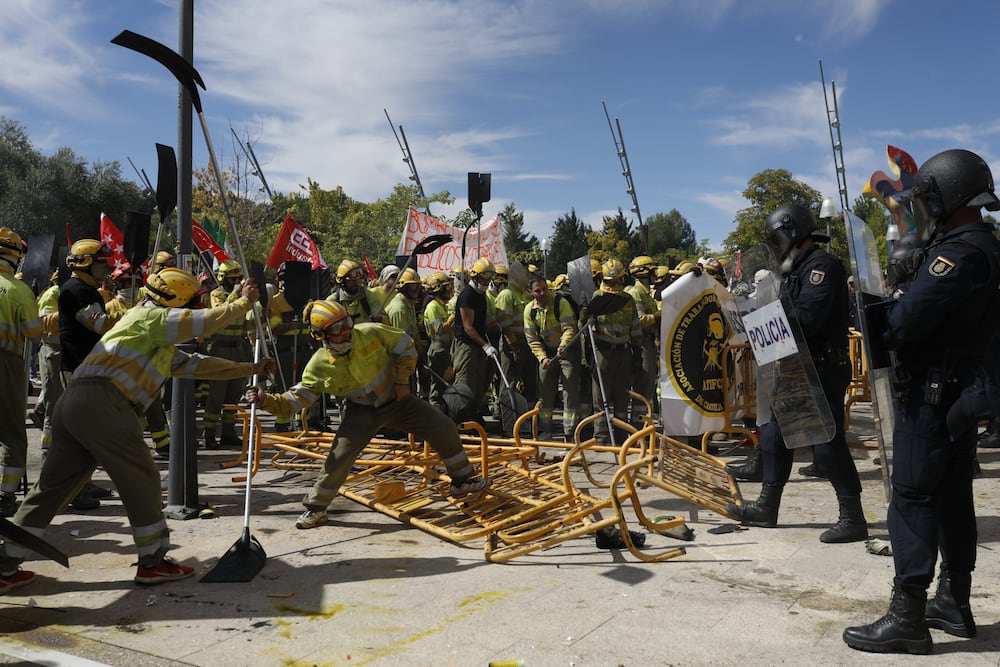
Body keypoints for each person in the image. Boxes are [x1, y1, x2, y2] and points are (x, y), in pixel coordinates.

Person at [0, 268, 271, 592]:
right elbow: (205, 323)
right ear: (177, 301)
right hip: (105, 404)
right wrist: (242, 303)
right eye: (192, 302)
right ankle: (153, 562)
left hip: (74, 405)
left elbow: (199, 365)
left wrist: (249, 369)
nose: (195, 309)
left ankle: (4, 565)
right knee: (142, 478)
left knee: (51, 491)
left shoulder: (148, 332)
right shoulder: (154, 318)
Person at [844, 149, 1000, 654]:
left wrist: (882, 310)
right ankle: (953, 602)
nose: (922, 210)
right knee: (953, 497)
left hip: (934, 396)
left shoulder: (958, 253)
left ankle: (907, 614)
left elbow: (908, 324)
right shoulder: (985, 246)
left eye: (927, 199)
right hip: (958, 393)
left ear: (946, 197)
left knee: (911, 499)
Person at [245, 300, 491, 530]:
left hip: (398, 401)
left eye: (347, 323)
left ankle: (462, 481)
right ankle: (317, 508)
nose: (346, 331)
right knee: (338, 459)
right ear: (320, 335)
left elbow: (406, 346)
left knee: (444, 427)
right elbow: (294, 402)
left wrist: (403, 381)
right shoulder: (318, 366)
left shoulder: (370, 333)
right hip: (361, 412)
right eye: (338, 328)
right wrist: (265, 400)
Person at [726, 204, 868, 545]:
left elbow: (807, 319)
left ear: (793, 233)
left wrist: (764, 323)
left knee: (829, 444)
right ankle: (766, 507)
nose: (774, 247)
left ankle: (853, 517)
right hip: (793, 367)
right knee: (774, 435)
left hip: (821, 369)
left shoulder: (822, 267)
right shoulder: (794, 270)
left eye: (776, 239)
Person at [58, 239, 117, 509]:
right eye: (102, 262)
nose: (108, 267)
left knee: (88, 432)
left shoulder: (87, 289)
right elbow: (100, 325)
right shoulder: (78, 290)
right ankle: (74, 492)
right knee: (81, 434)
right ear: (86, 263)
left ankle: (84, 483)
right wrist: (134, 317)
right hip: (77, 368)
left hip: (86, 367)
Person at [0, 229, 42, 517]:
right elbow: (32, 332)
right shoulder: (18, 290)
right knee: (12, 431)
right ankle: (5, 496)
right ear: (15, 256)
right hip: (6, 362)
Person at [588, 258, 642, 446]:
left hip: (624, 352)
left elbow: (635, 327)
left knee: (622, 398)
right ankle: (602, 438)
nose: (616, 284)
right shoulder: (596, 297)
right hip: (603, 351)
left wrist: (637, 351)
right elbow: (586, 328)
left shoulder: (628, 299)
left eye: (618, 280)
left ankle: (621, 437)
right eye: (613, 281)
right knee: (600, 398)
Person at [203, 260, 252, 449]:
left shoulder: (241, 297)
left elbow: (247, 322)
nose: (237, 282)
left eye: (239, 278)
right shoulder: (217, 294)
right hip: (220, 349)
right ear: (223, 279)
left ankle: (228, 433)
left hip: (238, 348)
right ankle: (209, 435)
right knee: (217, 394)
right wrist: (236, 294)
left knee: (234, 393)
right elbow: (220, 313)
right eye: (233, 279)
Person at [524, 274, 579, 441]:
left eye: (544, 289)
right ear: (531, 293)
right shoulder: (529, 311)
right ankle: (545, 430)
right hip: (547, 352)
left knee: (570, 390)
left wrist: (563, 345)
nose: (542, 294)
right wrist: (542, 358)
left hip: (567, 350)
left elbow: (569, 327)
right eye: (537, 291)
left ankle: (570, 432)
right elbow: (532, 339)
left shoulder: (560, 303)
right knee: (545, 391)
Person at [452, 258, 498, 421]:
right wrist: (486, 345)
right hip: (466, 346)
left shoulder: (481, 294)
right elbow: (468, 327)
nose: (487, 281)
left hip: (478, 345)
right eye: (484, 277)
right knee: (466, 384)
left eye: (489, 277)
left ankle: (474, 416)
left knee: (480, 383)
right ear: (474, 276)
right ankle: (461, 420)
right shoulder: (467, 296)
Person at [626, 255, 661, 424]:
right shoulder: (636, 293)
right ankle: (638, 427)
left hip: (649, 343)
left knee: (648, 386)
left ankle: (644, 424)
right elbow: (639, 320)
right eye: (653, 270)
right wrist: (658, 315)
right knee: (642, 386)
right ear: (644, 273)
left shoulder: (646, 293)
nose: (656, 274)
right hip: (641, 344)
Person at [422, 271, 455, 412]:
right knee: (437, 384)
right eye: (446, 288)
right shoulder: (433, 307)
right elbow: (439, 329)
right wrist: (453, 318)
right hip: (437, 348)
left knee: (446, 383)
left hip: (447, 348)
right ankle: (436, 410)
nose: (449, 291)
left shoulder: (442, 305)